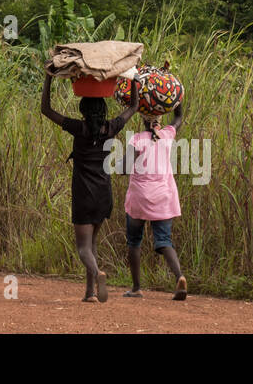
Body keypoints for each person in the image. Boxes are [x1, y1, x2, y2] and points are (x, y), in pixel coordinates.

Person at [41, 71, 137, 303]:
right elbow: (133, 106)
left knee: (83, 248)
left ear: (83, 110)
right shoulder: (112, 127)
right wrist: (133, 79)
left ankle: (98, 274)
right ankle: (90, 292)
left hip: (84, 195)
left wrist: (49, 78)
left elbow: (46, 110)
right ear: (103, 110)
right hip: (104, 194)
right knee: (93, 243)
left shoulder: (78, 128)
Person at [123, 97, 188, 301]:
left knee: (134, 241)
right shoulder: (167, 134)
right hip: (163, 195)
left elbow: (124, 168)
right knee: (164, 240)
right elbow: (178, 116)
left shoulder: (137, 139)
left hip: (140, 197)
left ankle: (136, 288)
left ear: (142, 119)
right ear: (160, 117)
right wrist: (175, 96)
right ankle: (180, 277)